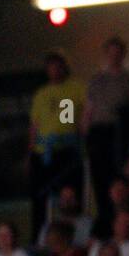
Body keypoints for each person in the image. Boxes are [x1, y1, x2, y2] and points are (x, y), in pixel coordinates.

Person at [84, 37, 129, 228]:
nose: (114, 56)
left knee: (118, 179)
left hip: (119, 134)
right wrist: (83, 131)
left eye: (118, 53)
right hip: (97, 134)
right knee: (99, 179)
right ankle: (104, 218)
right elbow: (88, 108)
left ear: (123, 54)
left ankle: (121, 219)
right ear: (106, 54)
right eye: (111, 52)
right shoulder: (96, 80)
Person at [28, 52, 86, 234]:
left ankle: (74, 233)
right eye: (51, 66)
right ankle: (39, 235)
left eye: (58, 65)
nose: (55, 69)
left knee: (69, 195)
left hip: (65, 149)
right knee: (40, 196)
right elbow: (34, 125)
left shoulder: (73, 89)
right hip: (43, 151)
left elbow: (67, 119)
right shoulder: (41, 93)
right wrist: (31, 153)